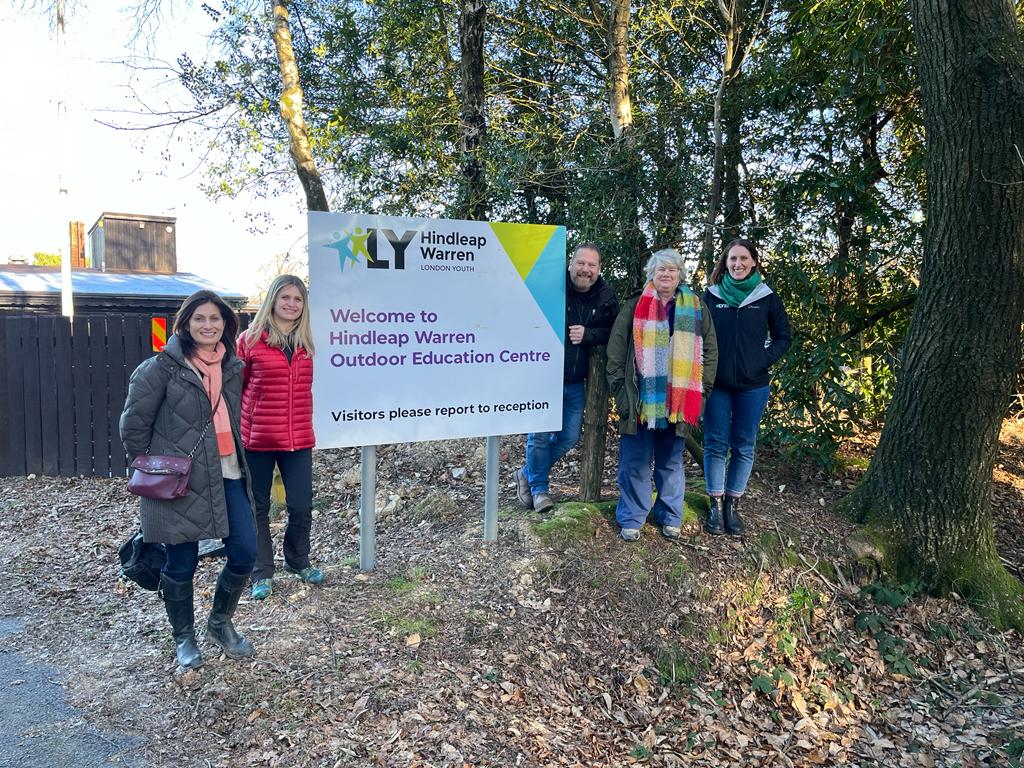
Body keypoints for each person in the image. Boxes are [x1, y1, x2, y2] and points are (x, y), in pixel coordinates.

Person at [120, 290, 258, 670]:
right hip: (179, 483)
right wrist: (152, 470)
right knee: (181, 562)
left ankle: (220, 623)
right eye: (200, 318)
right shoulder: (159, 368)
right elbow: (133, 426)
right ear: (185, 323)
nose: (208, 325)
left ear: (226, 325)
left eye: (215, 319)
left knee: (245, 552)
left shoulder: (232, 366)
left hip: (228, 473)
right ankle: (184, 638)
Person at [606, 249, 718, 541]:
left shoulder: (695, 307)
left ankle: (670, 514)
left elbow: (710, 351)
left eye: (672, 270)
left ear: (680, 275)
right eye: (660, 270)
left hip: (679, 399)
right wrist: (621, 390)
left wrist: (702, 392)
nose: (666, 274)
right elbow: (616, 352)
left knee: (671, 461)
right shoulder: (634, 306)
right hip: (642, 398)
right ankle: (632, 516)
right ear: (651, 274)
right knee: (635, 460)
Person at [514, 242, 619, 513]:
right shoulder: (551, 289)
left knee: (570, 437)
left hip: (575, 382)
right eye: (581, 263)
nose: (586, 270)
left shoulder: (606, 297)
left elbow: (615, 333)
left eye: (591, 265)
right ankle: (539, 490)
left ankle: (526, 472)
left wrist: (589, 335)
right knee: (538, 436)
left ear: (598, 269)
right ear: (570, 264)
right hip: (544, 377)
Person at [238, 274, 322, 600]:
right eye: (285, 297)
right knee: (256, 507)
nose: (291, 304)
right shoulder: (249, 340)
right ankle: (261, 572)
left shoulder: (306, 343)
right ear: (273, 299)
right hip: (257, 438)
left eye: (297, 299)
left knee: (301, 505)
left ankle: (297, 560)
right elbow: (238, 387)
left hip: (298, 437)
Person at [702, 238, 791, 535]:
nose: (737, 264)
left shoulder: (766, 297)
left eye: (743, 258)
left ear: (753, 261)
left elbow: (783, 338)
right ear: (725, 263)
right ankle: (715, 504)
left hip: (753, 386)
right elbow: (697, 337)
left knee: (743, 445)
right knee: (715, 443)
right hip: (717, 385)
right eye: (732, 259)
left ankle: (732, 504)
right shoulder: (711, 296)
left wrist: (760, 360)